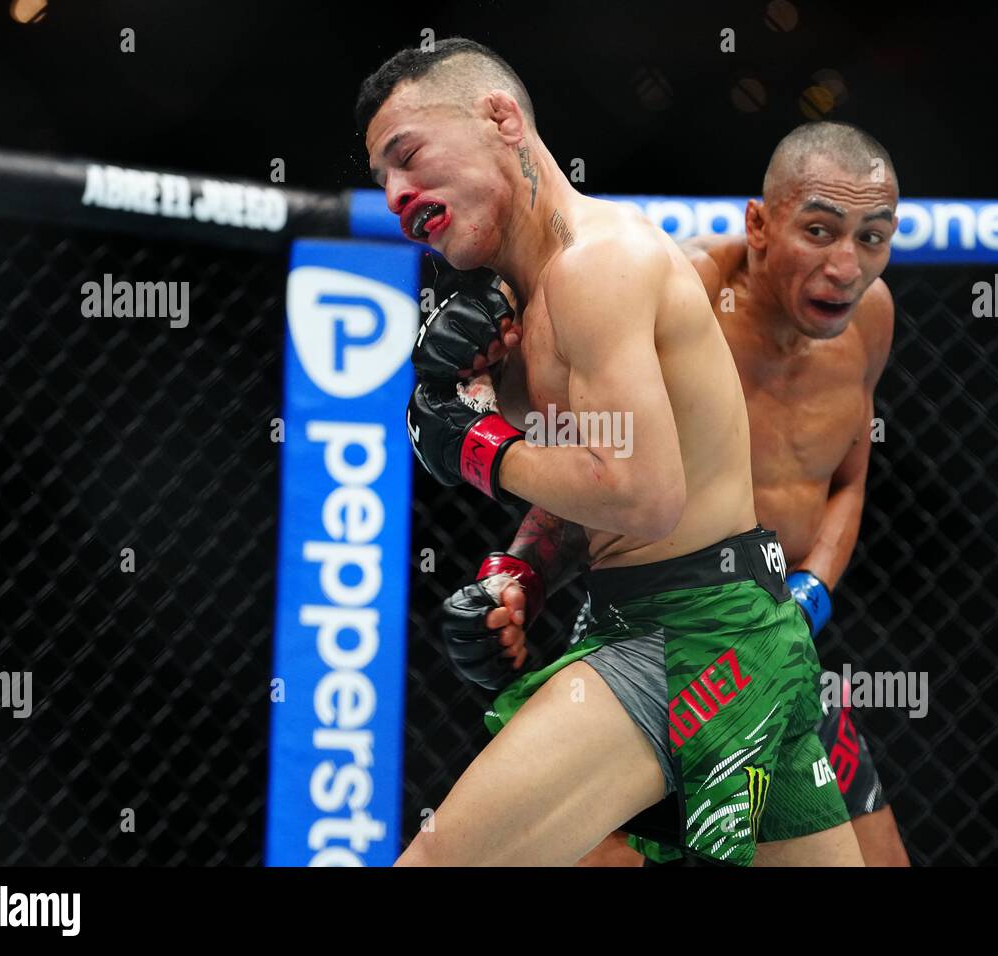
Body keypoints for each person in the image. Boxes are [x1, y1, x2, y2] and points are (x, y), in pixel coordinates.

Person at [359, 37, 861, 865]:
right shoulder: (521, 308)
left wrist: (477, 447)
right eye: (381, 179)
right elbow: (591, 493)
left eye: (407, 157)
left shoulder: (601, 263)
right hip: (726, 634)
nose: (396, 195)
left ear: (500, 117)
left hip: (688, 643)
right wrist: (518, 571)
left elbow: (641, 495)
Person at [444, 122, 909, 866]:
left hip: (773, 643)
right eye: (819, 231)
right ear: (759, 224)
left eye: (873, 237)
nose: (846, 267)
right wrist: (521, 569)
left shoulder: (872, 319)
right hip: (665, 640)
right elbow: (606, 473)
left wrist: (812, 592)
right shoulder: (686, 293)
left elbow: (849, 480)